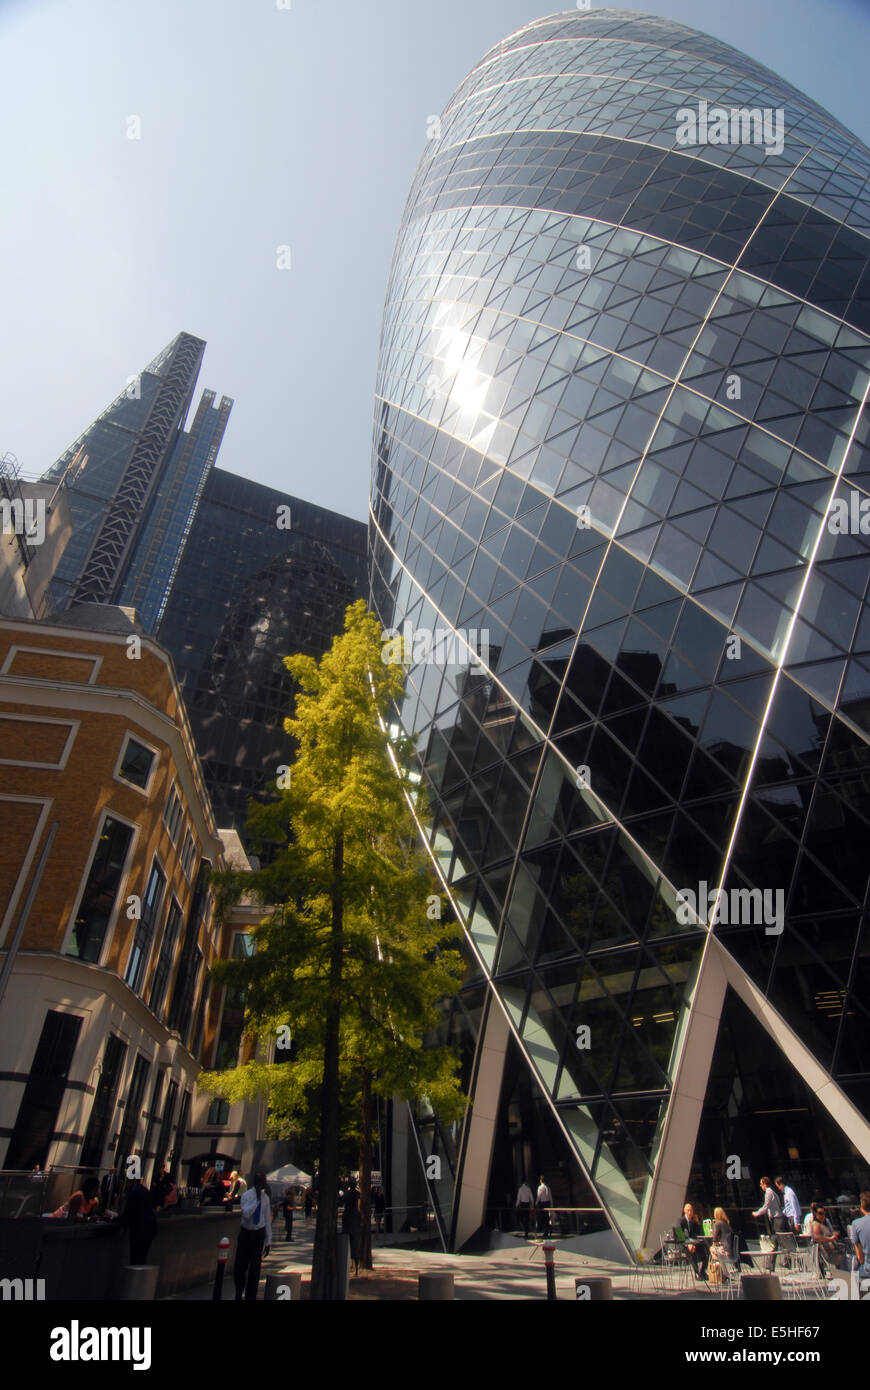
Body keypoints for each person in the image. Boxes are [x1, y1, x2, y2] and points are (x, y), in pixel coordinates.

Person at [234, 1173, 272, 1301]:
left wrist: (268, 1241)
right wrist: (257, 1201)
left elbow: (267, 1220)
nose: (263, 1186)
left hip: (258, 1233)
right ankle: (239, 1291)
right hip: (246, 1232)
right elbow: (246, 1214)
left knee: (255, 1268)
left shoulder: (266, 1198)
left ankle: (251, 1295)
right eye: (261, 1183)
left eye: (264, 1184)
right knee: (241, 1265)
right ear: (257, 1183)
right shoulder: (247, 1196)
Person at [118, 1178, 158, 1264]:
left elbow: (129, 1211)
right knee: (142, 1256)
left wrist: (119, 1221)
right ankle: (139, 1273)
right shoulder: (144, 1190)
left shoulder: (134, 1192)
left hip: (139, 1228)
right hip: (149, 1227)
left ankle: (135, 1273)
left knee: (136, 1256)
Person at [810, 1203, 846, 1271]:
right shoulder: (816, 1224)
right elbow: (817, 1238)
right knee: (848, 1258)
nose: (823, 1215)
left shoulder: (824, 1223)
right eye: (820, 1213)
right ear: (815, 1214)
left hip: (832, 1251)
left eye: (824, 1213)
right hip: (828, 1254)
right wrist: (831, 1238)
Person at [680, 1202, 710, 1280]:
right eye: (688, 1210)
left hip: (694, 1242)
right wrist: (688, 1244)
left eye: (691, 1211)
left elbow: (699, 1233)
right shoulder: (681, 1221)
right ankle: (697, 1273)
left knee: (706, 1251)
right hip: (685, 1244)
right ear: (684, 1211)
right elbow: (679, 1236)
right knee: (692, 1252)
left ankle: (702, 1271)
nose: (690, 1212)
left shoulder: (693, 1222)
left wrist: (698, 1222)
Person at [342, 1178, 361, 1278]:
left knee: (347, 1243)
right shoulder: (357, 1194)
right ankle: (356, 1268)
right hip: (354, 1221)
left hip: (348, 1221)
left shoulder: (346, 1194)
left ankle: (350, 1266)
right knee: (355, 1244)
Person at [851, 1191, 870, 1282]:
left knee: (854, 1277)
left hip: (868, 1270)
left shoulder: (856, 1224)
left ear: (862, 1206)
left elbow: (860, 1256)